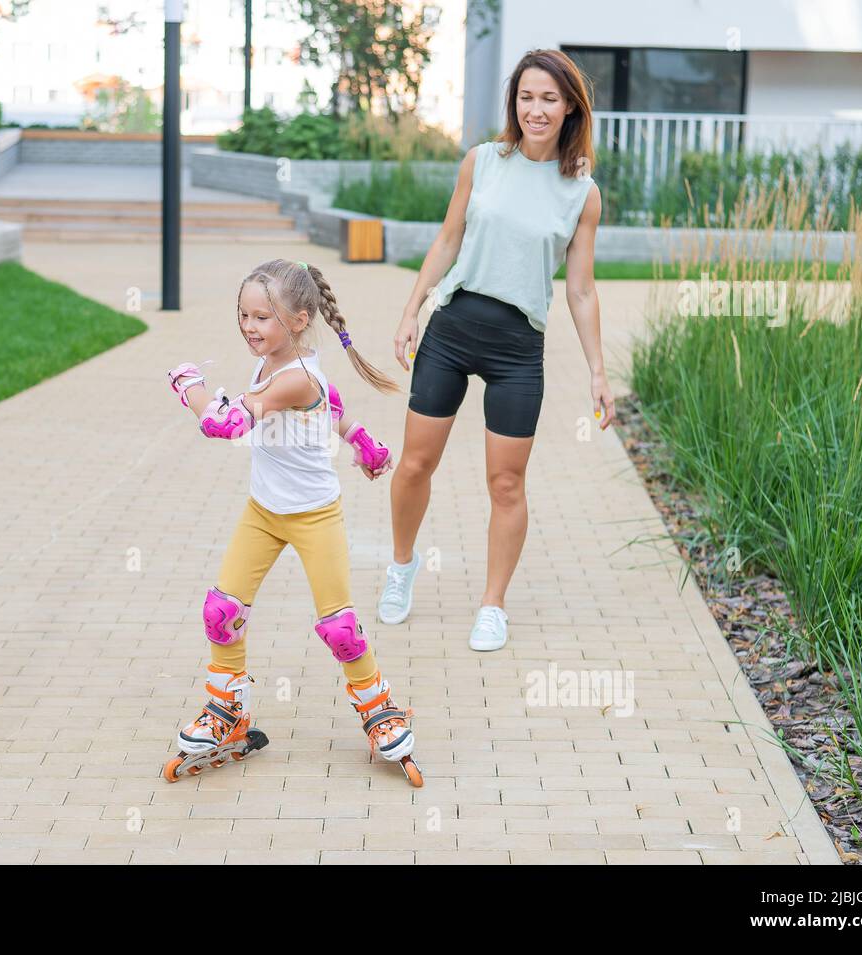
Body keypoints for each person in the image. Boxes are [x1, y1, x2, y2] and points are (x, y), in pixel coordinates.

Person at [380, 48, 616, 650]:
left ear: (570, 108)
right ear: (515, 102)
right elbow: (447, 238)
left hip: (517, 348)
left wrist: (598, 370)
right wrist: (411, 310)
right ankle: (401, 565)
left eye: (550, 99)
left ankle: (492, 605)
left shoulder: (581, 192)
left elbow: (582, 290)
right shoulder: (482, 161)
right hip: (453, 328)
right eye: (527, 97)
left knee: (506, 484)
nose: (536, 109)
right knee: (414, 464)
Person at [162, 258, 423, 786]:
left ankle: (379, 709)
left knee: (340, 629)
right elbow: (334, 409)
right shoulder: (278, 364)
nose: (249, 327)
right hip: (263, 512)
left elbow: (226, 423)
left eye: (262, 317)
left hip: (313, 517)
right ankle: (228, 712)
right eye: (244, 315)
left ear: (300, 320)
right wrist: (362, 442)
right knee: (221, 612)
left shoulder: (296, 377)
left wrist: (189, 385)